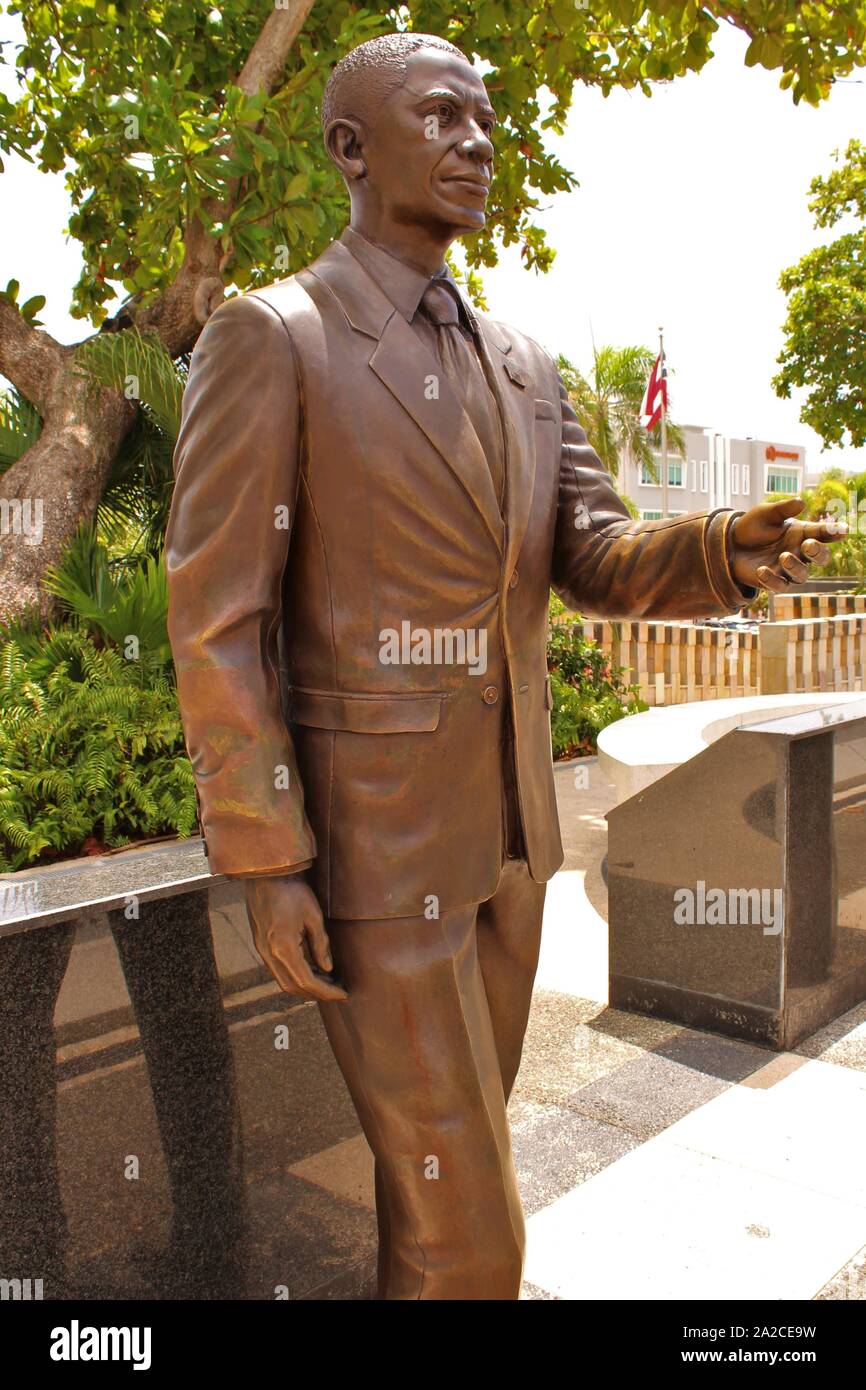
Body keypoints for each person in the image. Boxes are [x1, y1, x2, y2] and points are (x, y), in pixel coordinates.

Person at [164, 31, 838, 1300]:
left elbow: (587, 550)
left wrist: (716, 547)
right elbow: (216, 619)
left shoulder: (522, 363)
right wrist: (265, 858)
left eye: (485, 120)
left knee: (427, 1203)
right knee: (476, 1242)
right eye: (440, 118)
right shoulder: (277, 337)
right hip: (371, 867)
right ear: (351, 149)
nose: (477, 143)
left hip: (511, 849)